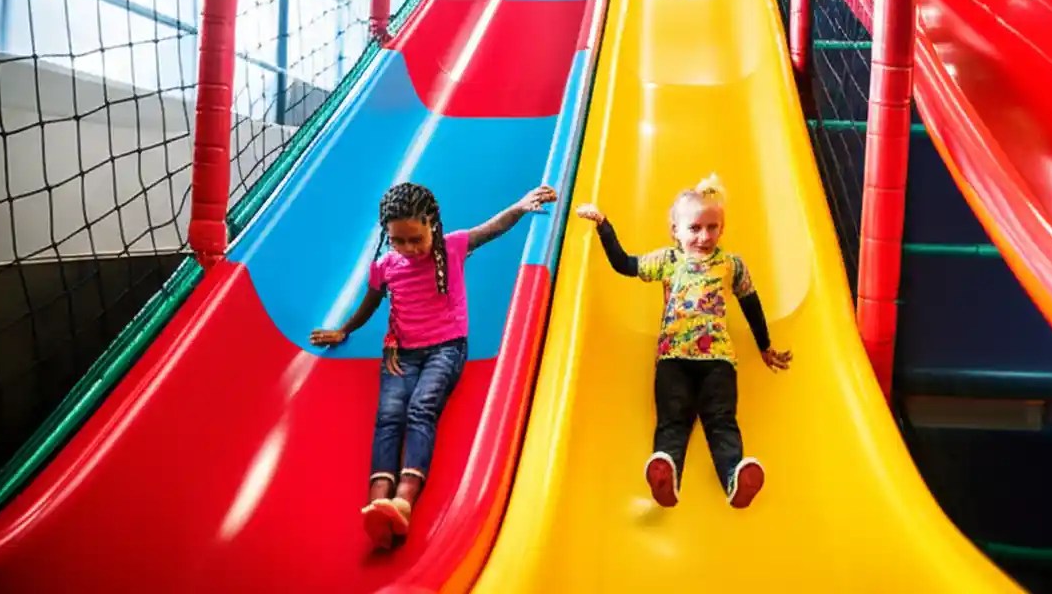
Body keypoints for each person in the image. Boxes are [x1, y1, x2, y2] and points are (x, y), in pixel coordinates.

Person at [310, 181, 557, 548]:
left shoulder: (452, 247)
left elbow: (491, 229)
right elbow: (372, 303)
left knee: (421, 408)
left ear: (432, 225)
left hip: (446, 349)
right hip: (402, 352)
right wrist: (343, 329)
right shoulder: (384, 266)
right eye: (399, 241)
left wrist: (520, 206)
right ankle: (378, 502)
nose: (408, 249)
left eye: (416, 239)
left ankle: (404, 501)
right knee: (389, 416)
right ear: (388, 236)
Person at [574, 174, 791, 509]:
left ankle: (736, 478)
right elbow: (624, 264)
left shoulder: (731, 265)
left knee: (722, 424)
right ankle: (665, 473)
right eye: (695, 228)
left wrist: (764, 346)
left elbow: (751, 303)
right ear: (675, 230)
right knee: (672, 423)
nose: (704, 236)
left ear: (722, 228)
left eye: (712, 227)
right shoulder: (667, 260)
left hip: (719, 361)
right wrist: (603, 224)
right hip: (672, 359)